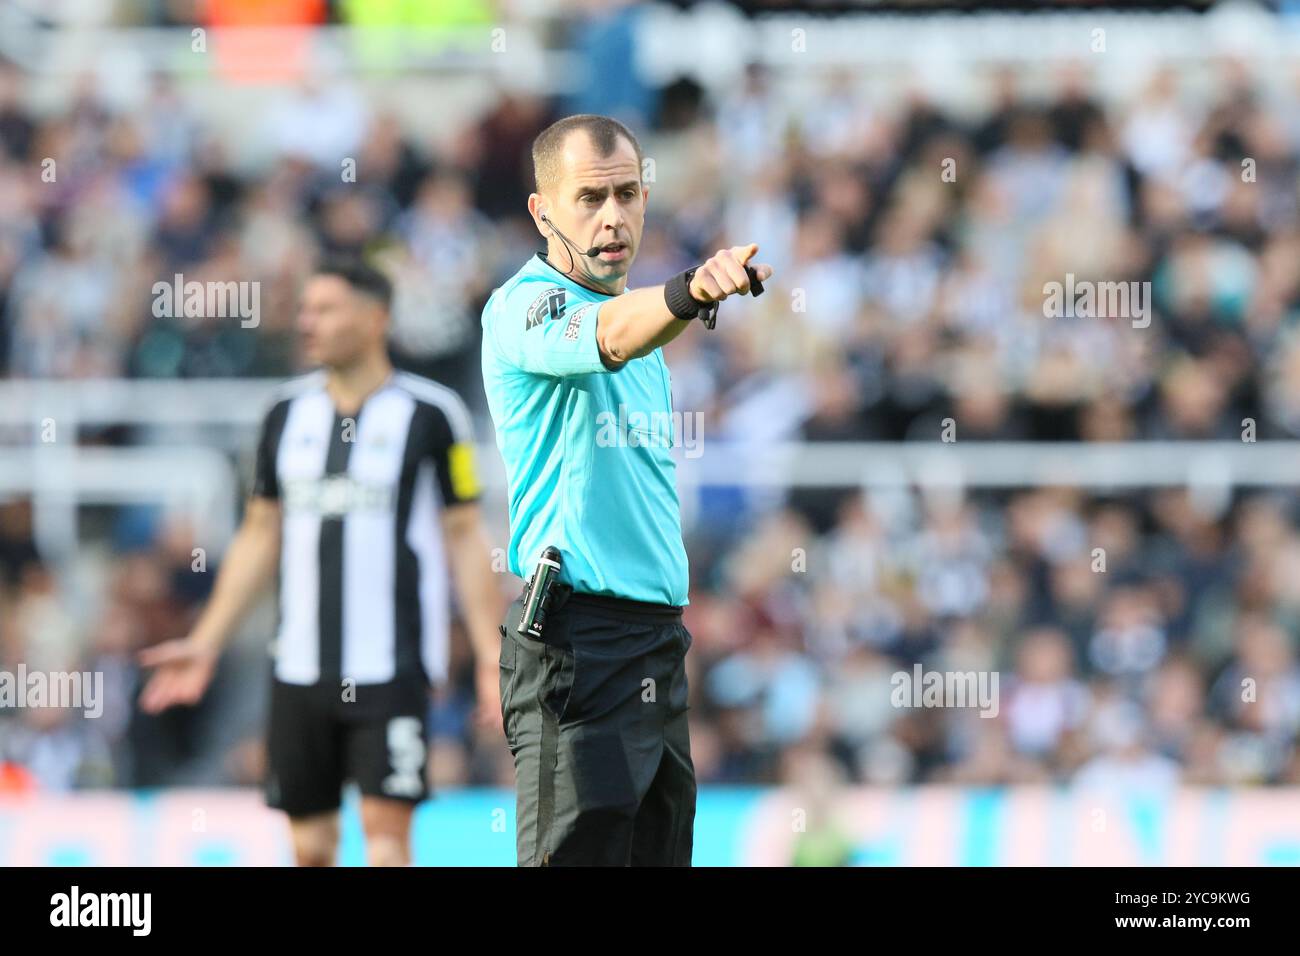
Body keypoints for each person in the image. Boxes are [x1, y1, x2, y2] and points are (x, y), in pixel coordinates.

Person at [138, 258, 503, 866]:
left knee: (386, 839)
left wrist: (492, 652)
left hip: (394, 664)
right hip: (298, 668)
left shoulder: (432, 415)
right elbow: (259, 535)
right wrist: (205, 641)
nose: (306, 322)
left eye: (325, 309)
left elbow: (464, 536)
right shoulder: (284, 415)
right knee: (309, 848)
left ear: (375, 317)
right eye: (305, 309)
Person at [480, 113, 774, 866]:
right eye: (589, 199)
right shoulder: (524, 307)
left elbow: (627, 329)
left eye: (628, 194)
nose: (613, 217)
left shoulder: (648, 331)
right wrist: (687, 291)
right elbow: (605, 334)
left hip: (653, 645)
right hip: (578, 646)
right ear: (542, 211)